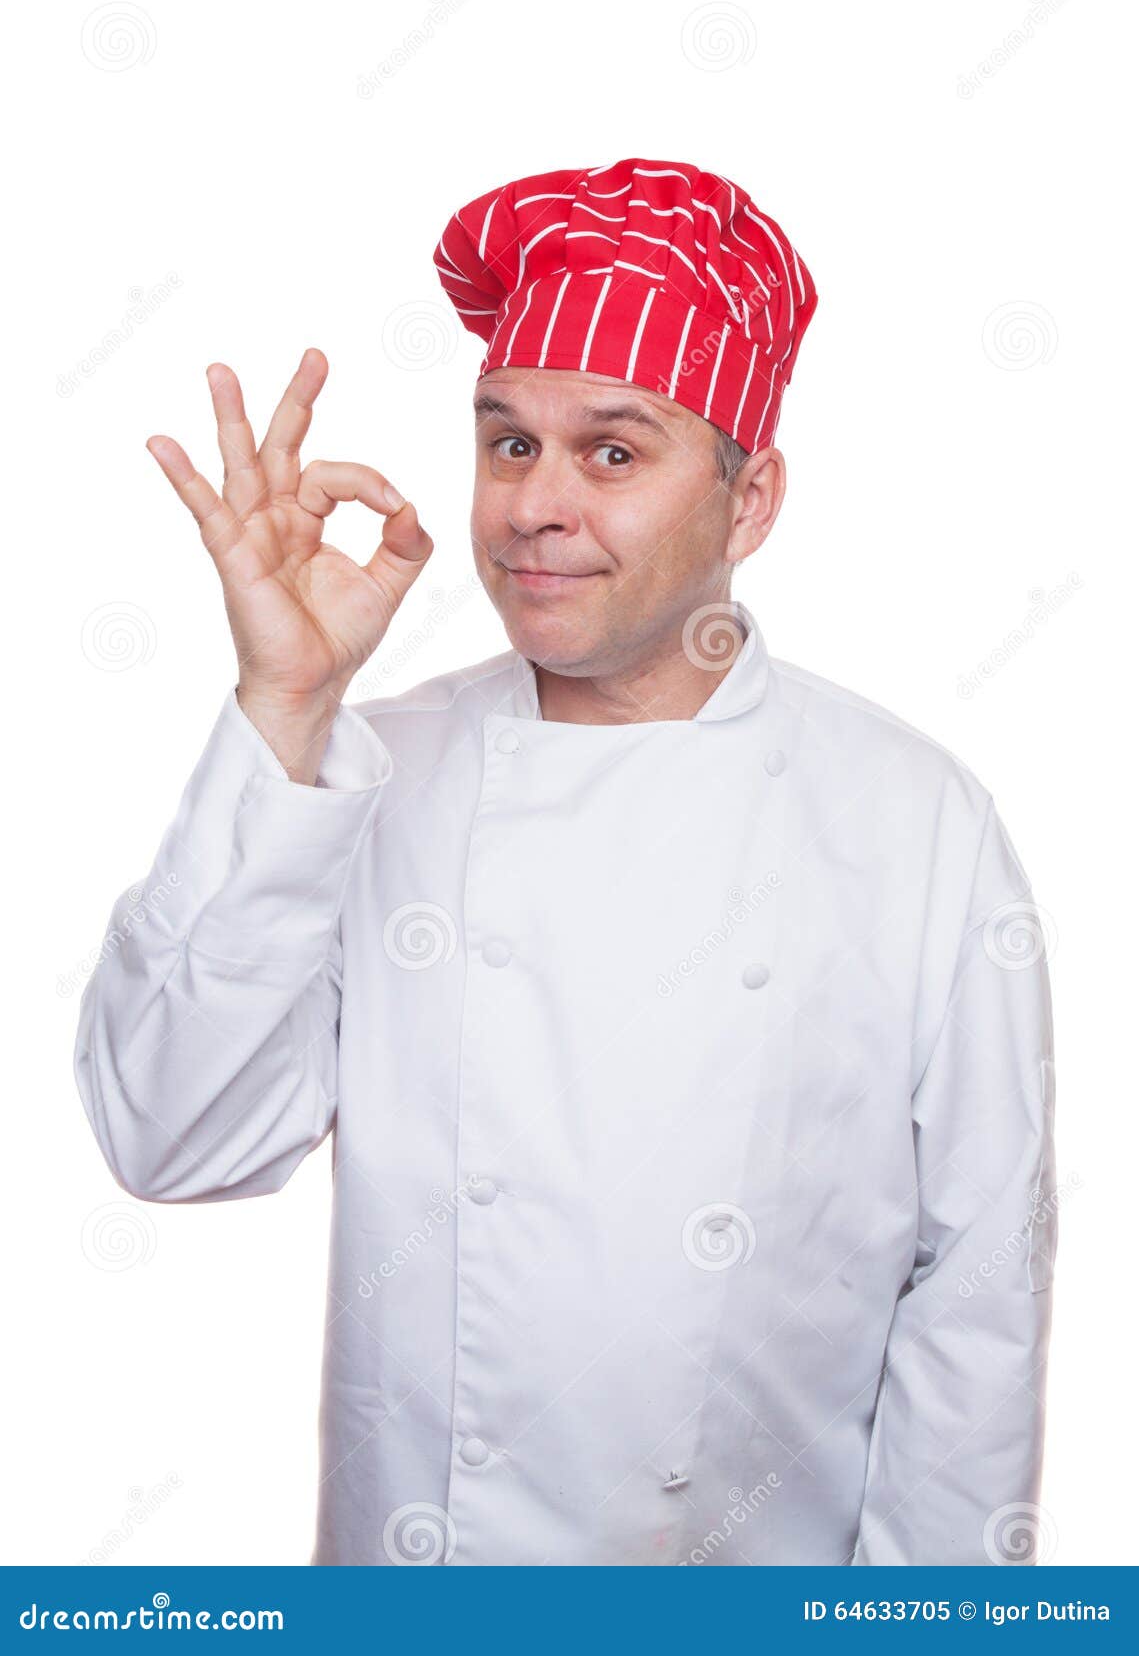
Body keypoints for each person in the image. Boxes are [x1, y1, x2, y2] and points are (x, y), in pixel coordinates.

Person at [73, 157, 1058, 1567]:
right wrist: (286, 707)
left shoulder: (915, 824)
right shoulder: (369, 773)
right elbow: (171, 1141)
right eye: (508, 443)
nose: (536, 505)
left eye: (613, 452)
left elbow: (977, 1307)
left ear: (750, 500)